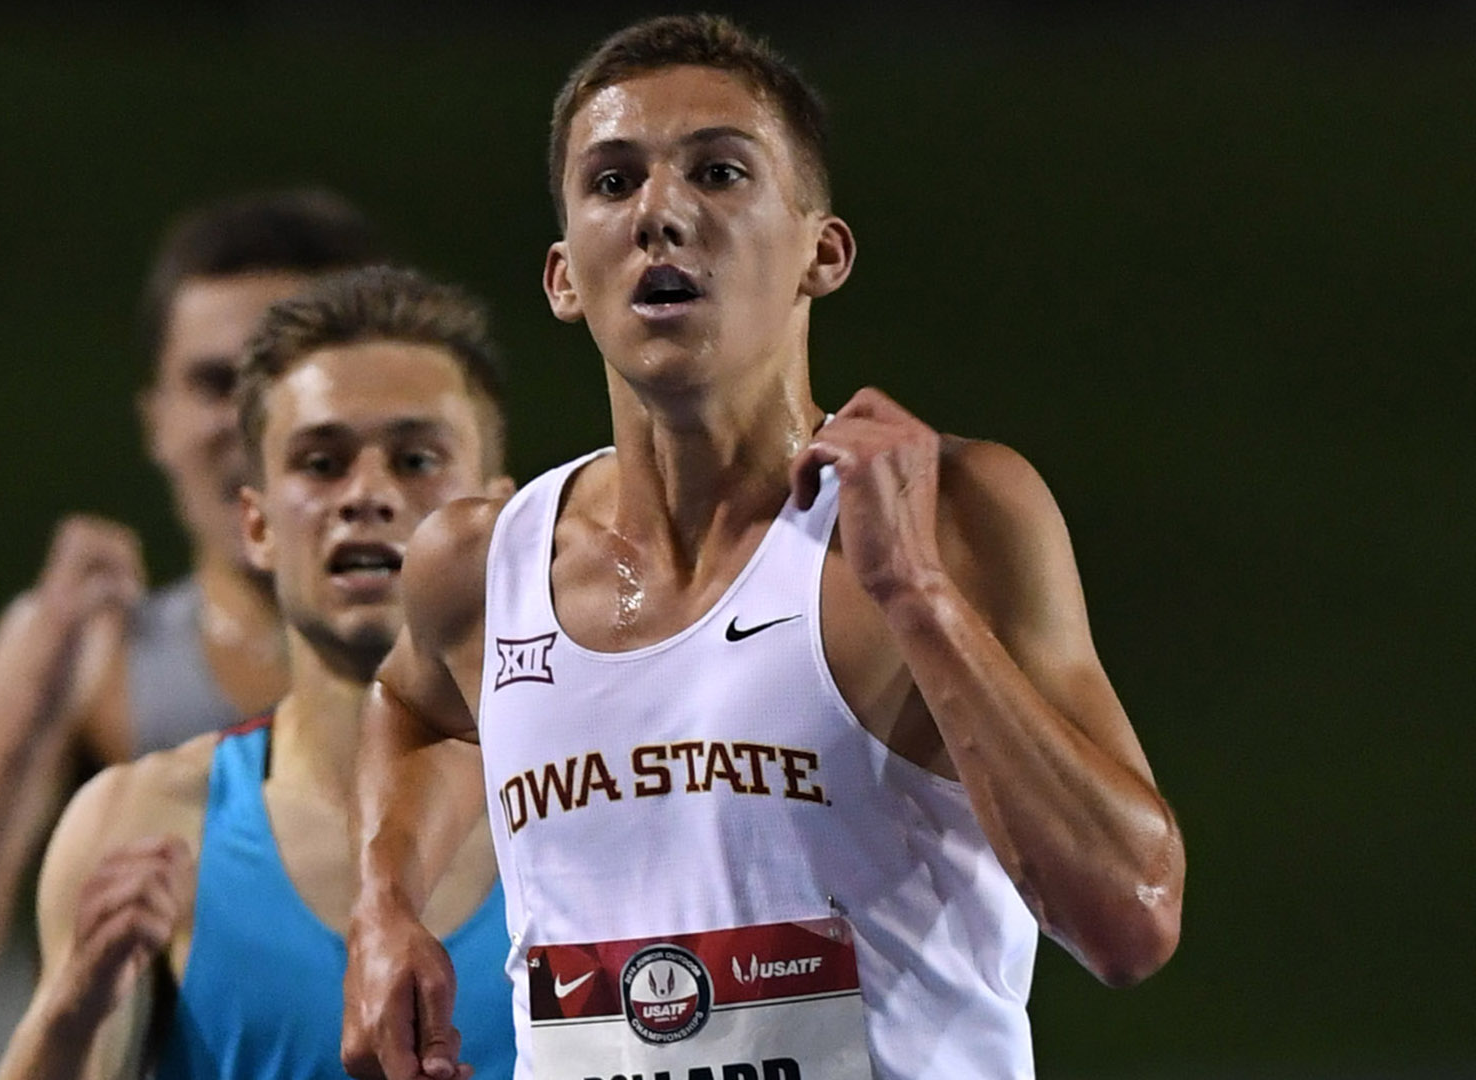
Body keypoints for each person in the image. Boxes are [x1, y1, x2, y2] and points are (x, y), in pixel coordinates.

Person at [341, 15, 1186, 1080]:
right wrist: (383, 906)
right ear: (562, 278)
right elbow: (412, 705)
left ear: (820, 253)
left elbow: (1132, 919)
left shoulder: (954, 518)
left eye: (719, 172)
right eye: (614, 182)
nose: (660, 213)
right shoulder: (482, 566)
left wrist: (917, 596)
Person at [0, 191, 385, 1057]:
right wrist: (24, 734)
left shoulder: (490, 639)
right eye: (215, 383)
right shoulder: (91, 658)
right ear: (157, 422)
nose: (253, 422)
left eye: (293, 375)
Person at [0, 265, 521, 1080]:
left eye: (416, 459)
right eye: (321, 462)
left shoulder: (596, 805)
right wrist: (71, 1009)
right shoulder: (145, 825)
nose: (367, 495)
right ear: (258, 524)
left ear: (498, 516)